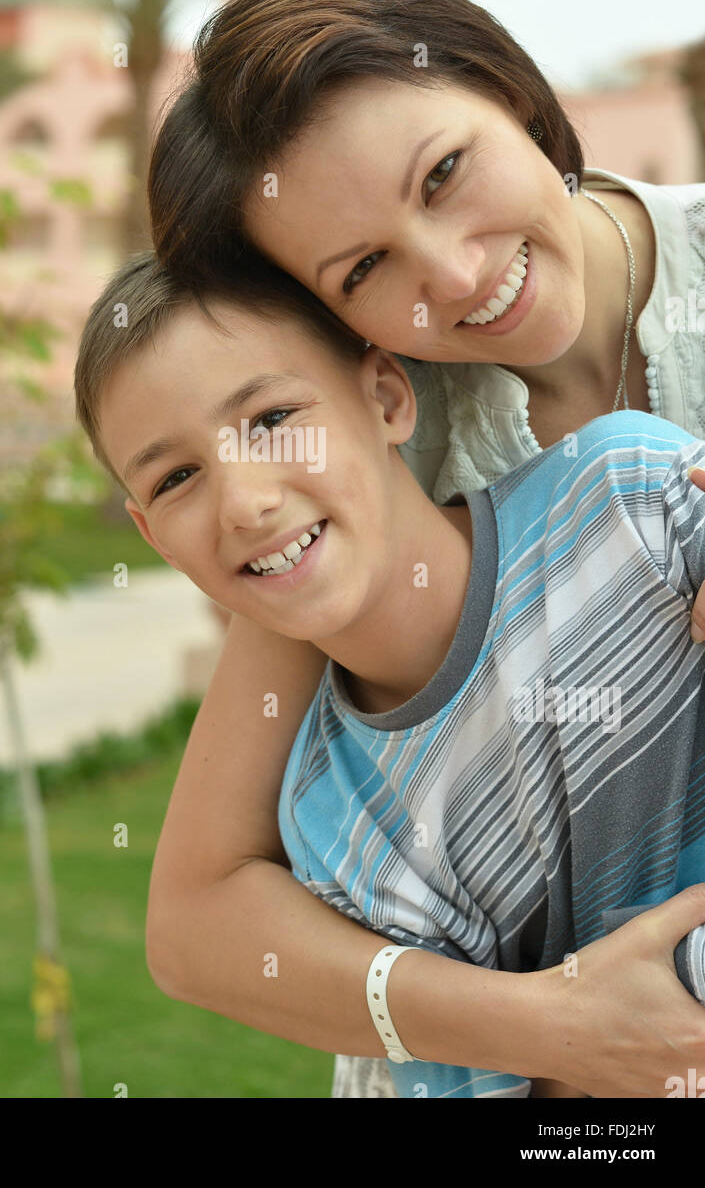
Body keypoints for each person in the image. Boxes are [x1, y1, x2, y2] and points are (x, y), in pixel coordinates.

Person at [144, 0, 705, 1097]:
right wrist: (548, 1028)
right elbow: (197, 922)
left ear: (506, 85)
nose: (456, 274)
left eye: (444, 172)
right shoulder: (377, 446)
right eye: (363, 268)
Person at [74, 250, 705, 1099]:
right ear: (153, 538)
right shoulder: (335, 831)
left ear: (385, 397)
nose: (243, 503)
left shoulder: (627, 502)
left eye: (271, 419)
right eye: (178, 477)